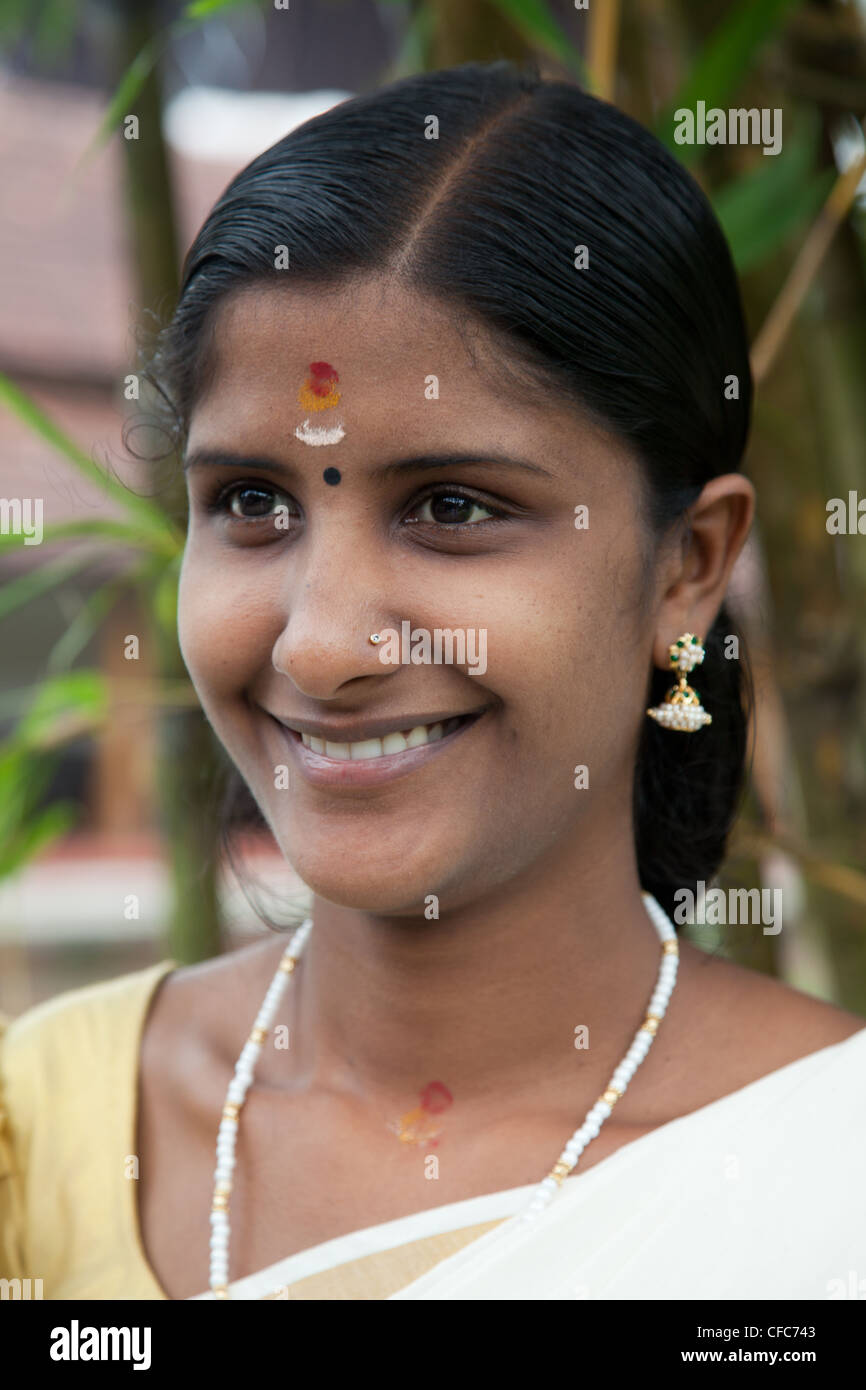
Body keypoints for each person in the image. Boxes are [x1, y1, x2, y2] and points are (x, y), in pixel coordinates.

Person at [1, 61, 864, 1302]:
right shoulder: (49, 1134)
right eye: (250, 502)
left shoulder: (824, 1176)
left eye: (451, 507)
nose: (321, 647)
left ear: (686, 566)